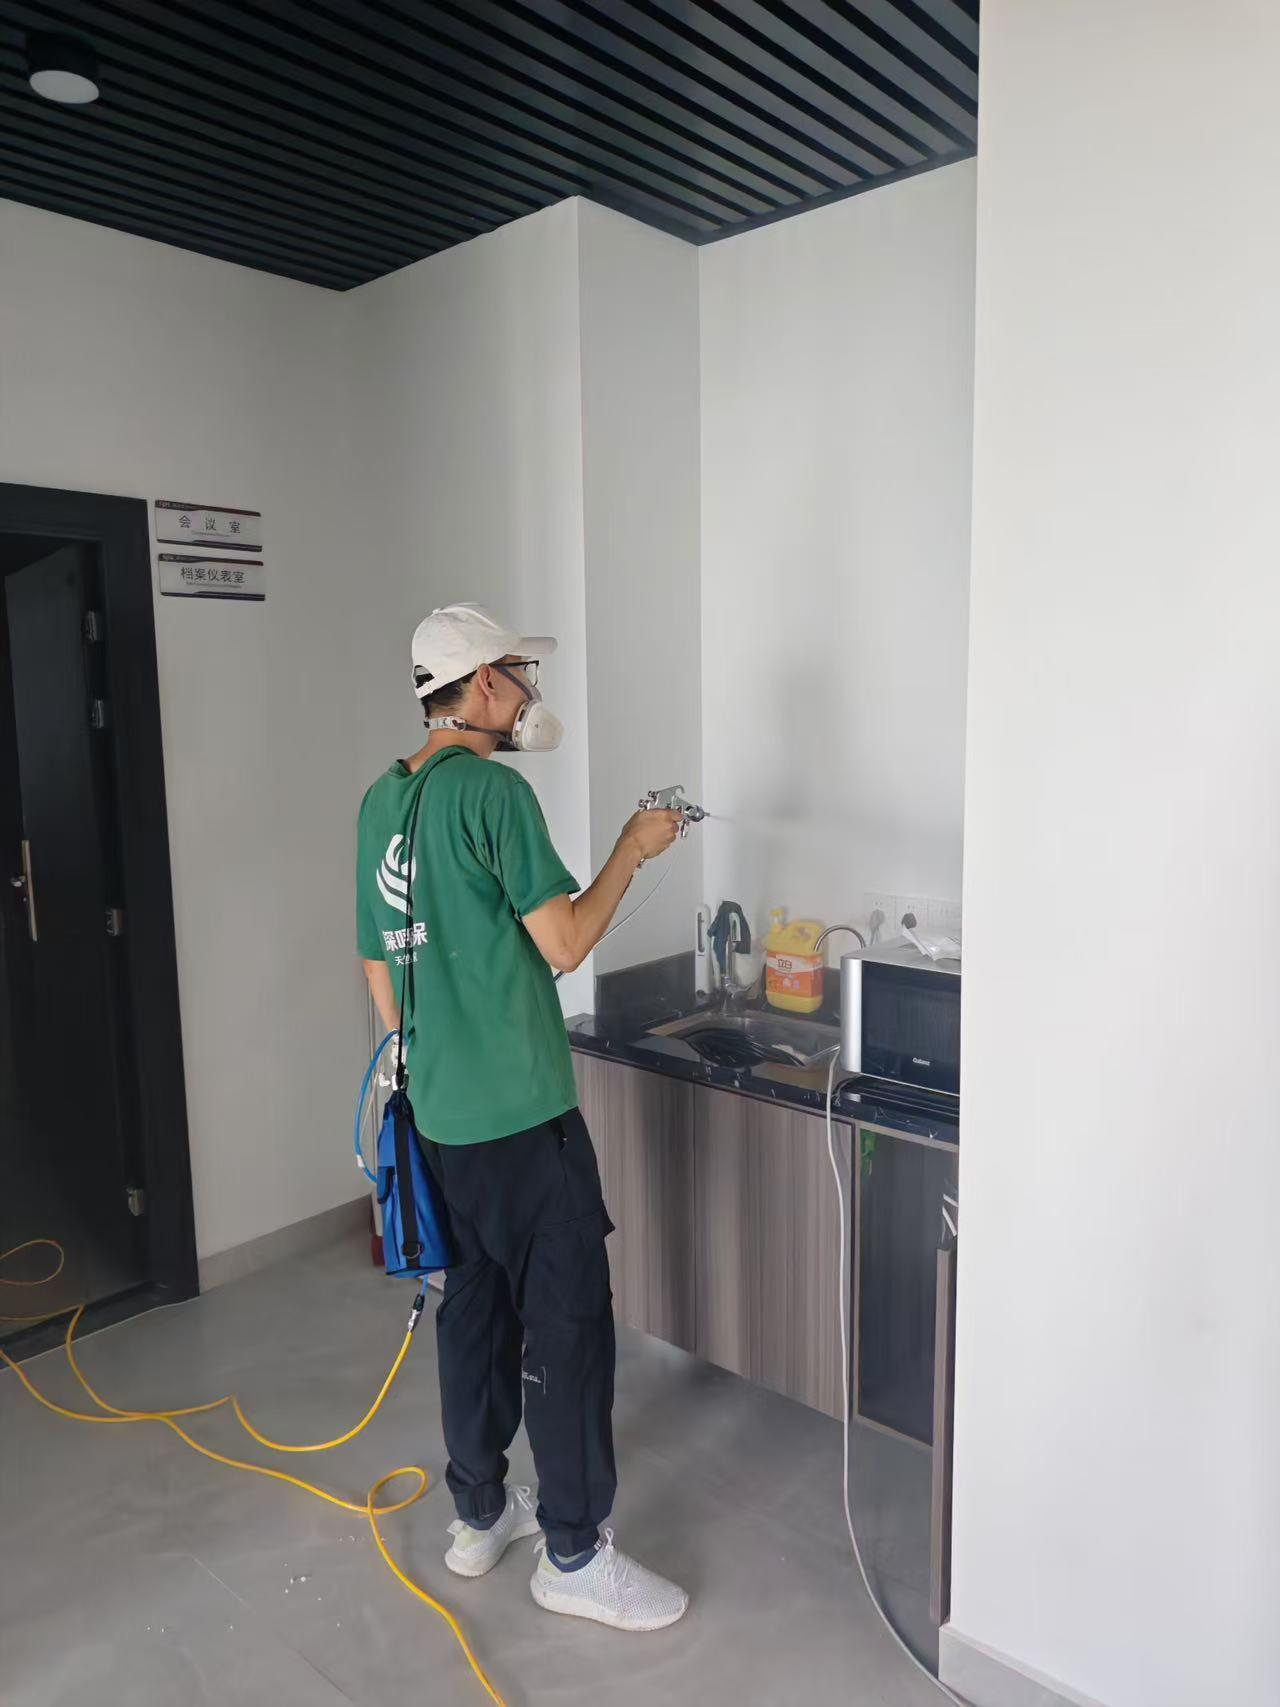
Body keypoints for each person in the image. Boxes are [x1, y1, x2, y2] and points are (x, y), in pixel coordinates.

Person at [356, 602, 689, 1632]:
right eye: (519, 672)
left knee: (473, 1312)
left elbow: (378, 963)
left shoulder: (383, 799)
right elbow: (564, 943)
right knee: (568, 1325)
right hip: (526, 1119)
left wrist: (424, 1059)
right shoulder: (494, 794)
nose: (530, 690)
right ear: (486, 683)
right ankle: (574, 1553)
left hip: (440, 1117)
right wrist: (633, 846)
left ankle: (478, 1514)